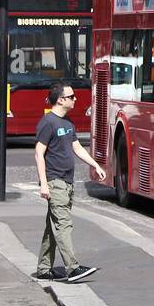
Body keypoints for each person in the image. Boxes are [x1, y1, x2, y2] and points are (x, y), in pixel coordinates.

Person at [34, 84, 106, 283]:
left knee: (53, 226)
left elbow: (77, 147)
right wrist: (44, 184)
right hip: (55, 181)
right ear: (60, 100)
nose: (75, 99)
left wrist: (95, 165)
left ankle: (44, 269)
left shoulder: (67, 122)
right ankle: (73, 268)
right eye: (71, 96)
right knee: (63, 224)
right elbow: (39, 153)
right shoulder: (48, 122)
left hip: (67, 182)